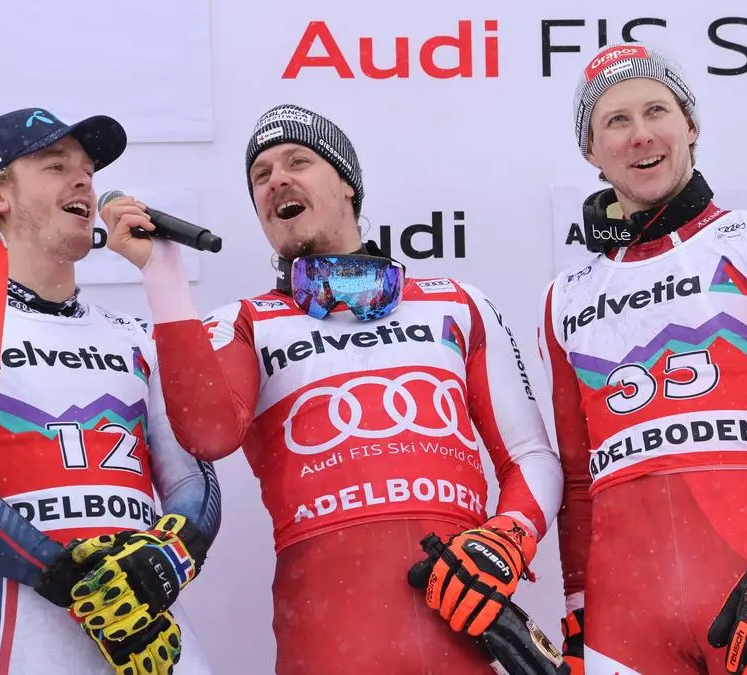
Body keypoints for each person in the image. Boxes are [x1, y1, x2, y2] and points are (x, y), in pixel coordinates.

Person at [100, 103, 564, 674]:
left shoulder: (458, 303)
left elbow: (531, 456)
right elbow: (207, 432)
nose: (278, 180)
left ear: (348, 184)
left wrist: (506, 539)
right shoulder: (245, 322)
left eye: (298, 160)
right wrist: (163, 275)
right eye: (260, 176)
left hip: (458, 634)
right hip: (327, 641)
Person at [539, 44, 747, 675]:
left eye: (657, 110)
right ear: (591, 154)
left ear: (691, 126)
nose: (641, 135)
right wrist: (576, 614)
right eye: (615, 121)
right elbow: (577, 478)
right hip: (622, 628)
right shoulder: (564, 296)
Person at [0, 107, 223, 675]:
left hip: (147, 639)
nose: (84, 181)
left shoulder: (133, 335)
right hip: (21, 641)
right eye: (55, 165)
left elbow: (192, 476)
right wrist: (64, 575)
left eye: (88, 170)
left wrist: (166, 559)